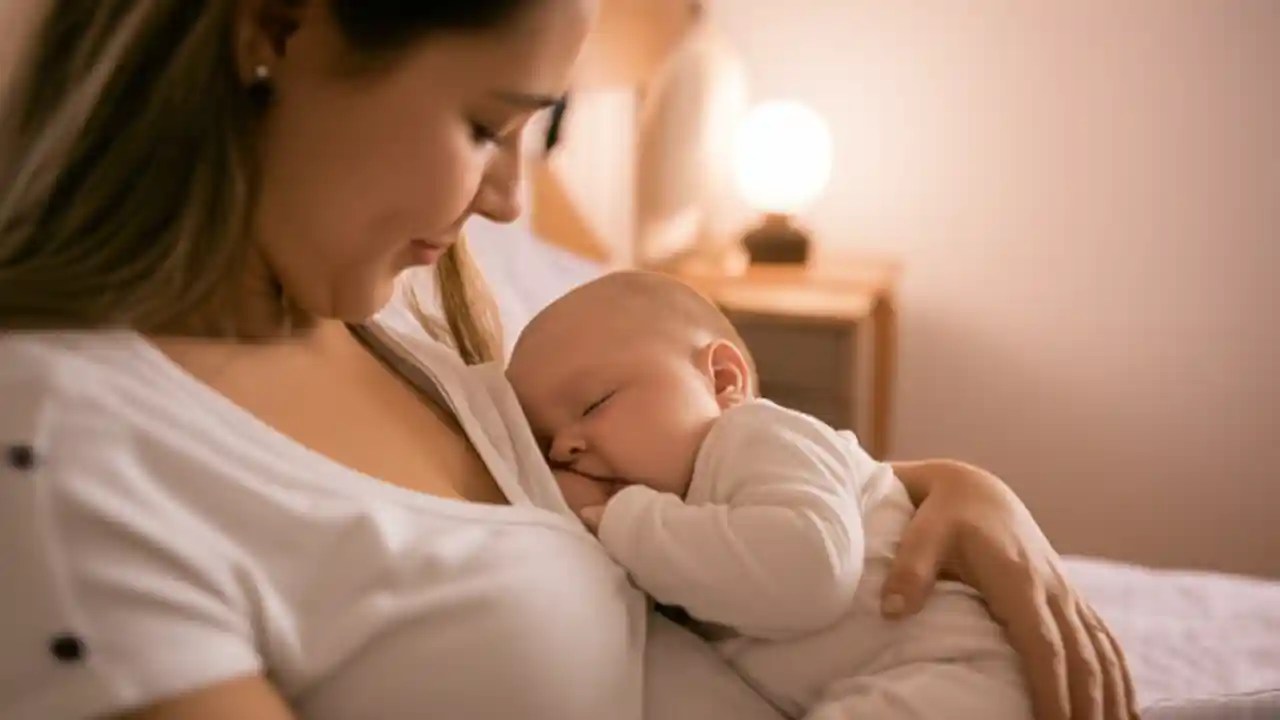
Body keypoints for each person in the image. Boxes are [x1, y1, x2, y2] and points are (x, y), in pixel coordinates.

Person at [0, 2, 1135, 719]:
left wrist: (952, 493)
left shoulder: (413, 341)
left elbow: (707, 483)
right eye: (489, 126)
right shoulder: (63, 460)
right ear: (278, 30)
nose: (504, 199)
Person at [507, 270, 1035, 719]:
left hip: (959, 675)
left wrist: (621, 518)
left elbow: (810, 572)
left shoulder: (760, 436)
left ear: (722, 379)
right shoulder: (685, 518)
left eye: (593, 404)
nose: (567, 448)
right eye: (546, 441)